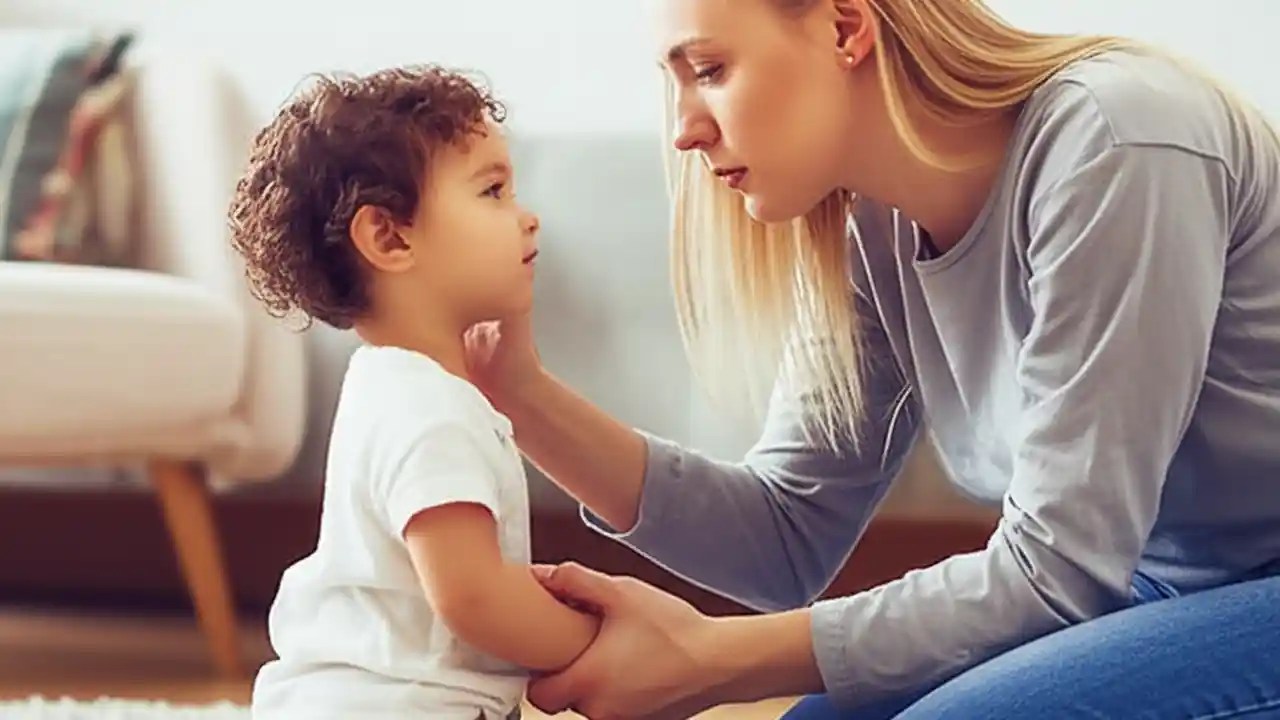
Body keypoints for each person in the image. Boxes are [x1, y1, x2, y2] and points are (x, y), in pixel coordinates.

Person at [461, 0, 1280, 717]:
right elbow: (780, 540)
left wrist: (710, 660)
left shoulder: (1118, 140)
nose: (682, 128)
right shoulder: (876, 229)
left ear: (846, 26)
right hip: (1152, 590)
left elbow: (1058, 573)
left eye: (708, 68)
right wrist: (521, 397)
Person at [227, 67, 598, 720]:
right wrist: (593, 641)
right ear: (390, 238)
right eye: (493, 191)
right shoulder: (432, 408)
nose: (529, 217)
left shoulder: (386, 381)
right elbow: (473, 597)